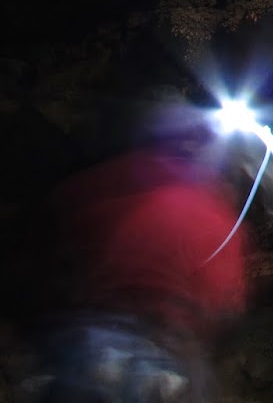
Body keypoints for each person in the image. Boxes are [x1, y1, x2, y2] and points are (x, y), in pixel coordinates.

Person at [30, 100, 249, 403]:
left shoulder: (95, 184)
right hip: (157, 358)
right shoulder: (215, 214)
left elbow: (50, 250)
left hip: (81, 342)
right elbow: (224, 304)